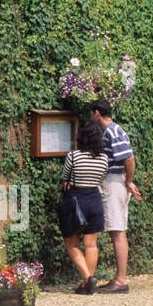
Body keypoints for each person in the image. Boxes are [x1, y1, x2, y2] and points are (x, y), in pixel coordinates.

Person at [90, 99, 140, 293]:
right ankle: (119, 279)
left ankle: (121, 280)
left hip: (114, 183)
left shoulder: (112, 131)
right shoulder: (112, 131)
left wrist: (128, 180)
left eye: (90, 114)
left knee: (117, 231)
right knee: (116, 230)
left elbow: (129, 157)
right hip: (115, 182)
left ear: (96, 113)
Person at [59, 118, 108, 294]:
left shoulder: (73, 155)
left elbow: (65, 178)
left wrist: (69, 181)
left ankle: (88, 278)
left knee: (71, 244)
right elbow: (100, 179)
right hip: (95, 200)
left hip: (76, 200)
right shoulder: (104, 158)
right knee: (91, 244)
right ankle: (87, 284)